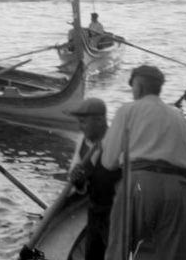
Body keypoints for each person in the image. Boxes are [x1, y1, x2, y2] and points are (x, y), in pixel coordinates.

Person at [100, 65, 186, 260]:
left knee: (119, 251)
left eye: (132, 86)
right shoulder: (179, 117)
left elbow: (109, 162)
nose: (132, 91)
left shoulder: (128, 110)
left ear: (139, 86)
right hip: (178, 189)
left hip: (139, 185)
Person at [67, 98, 122, 260]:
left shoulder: (116, 143)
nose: (80, 127)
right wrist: (78, 182)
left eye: (83, 122)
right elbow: (77, 184)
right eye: (79, 122)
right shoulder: (82, 141)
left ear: (100, 120)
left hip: (115, 214)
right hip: (94, 211)